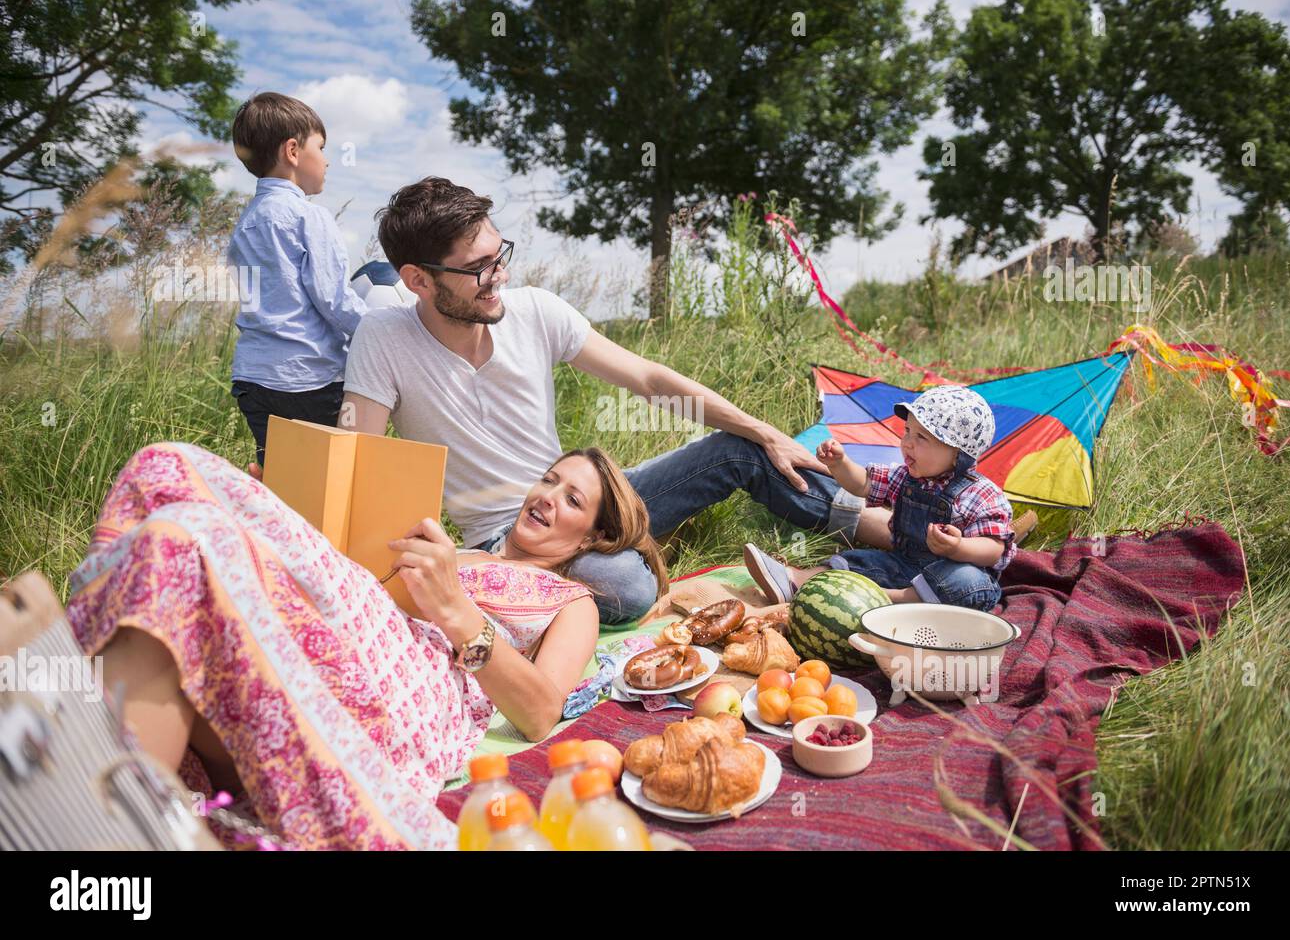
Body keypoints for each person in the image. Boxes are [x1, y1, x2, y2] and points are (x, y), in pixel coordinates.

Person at [341, 177, 911, 627]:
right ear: (417, 280)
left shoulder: (536, 310)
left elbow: (648, 379)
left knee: (742, 448)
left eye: (499, 255)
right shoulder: (385, 339)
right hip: (511, 537)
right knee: (629, 587)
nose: (498, 276)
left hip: (585, 501)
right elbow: (358, 461)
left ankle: (890, 530)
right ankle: (624, 553)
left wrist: (767, 431)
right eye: (476, 269)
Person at [63, 441, 666, 850]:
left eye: (572, 500)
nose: (547, 496)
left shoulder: (569, 600)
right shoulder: (454, 548)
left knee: (183, 522)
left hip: (410, 690)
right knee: (166, 489)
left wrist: (458, 612)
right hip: (348, 632)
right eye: (549, 479)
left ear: (597, 536)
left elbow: (539, 713)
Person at [743, 386, 1015, 612]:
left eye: (921, 438)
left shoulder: (981, 494)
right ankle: (795, 581)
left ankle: (882, 601)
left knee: (964, 580)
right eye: (907, 430)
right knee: (858, 560)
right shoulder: (906, 477)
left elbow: (994, 548)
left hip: (951, 581)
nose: (907, 442)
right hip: (903, 565)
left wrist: (957, 548)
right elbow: (863, 484)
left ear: (958, 455)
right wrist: (840, 464)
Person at [227, 92, 369, 465]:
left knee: (281, 478)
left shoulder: (246, 223)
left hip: (254, 379)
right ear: (292, 151)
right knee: (328, 482)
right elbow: (333, 299)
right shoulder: (309, 216)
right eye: (321, 148)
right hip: (308, 378)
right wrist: (380, 329)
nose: (327, 161)